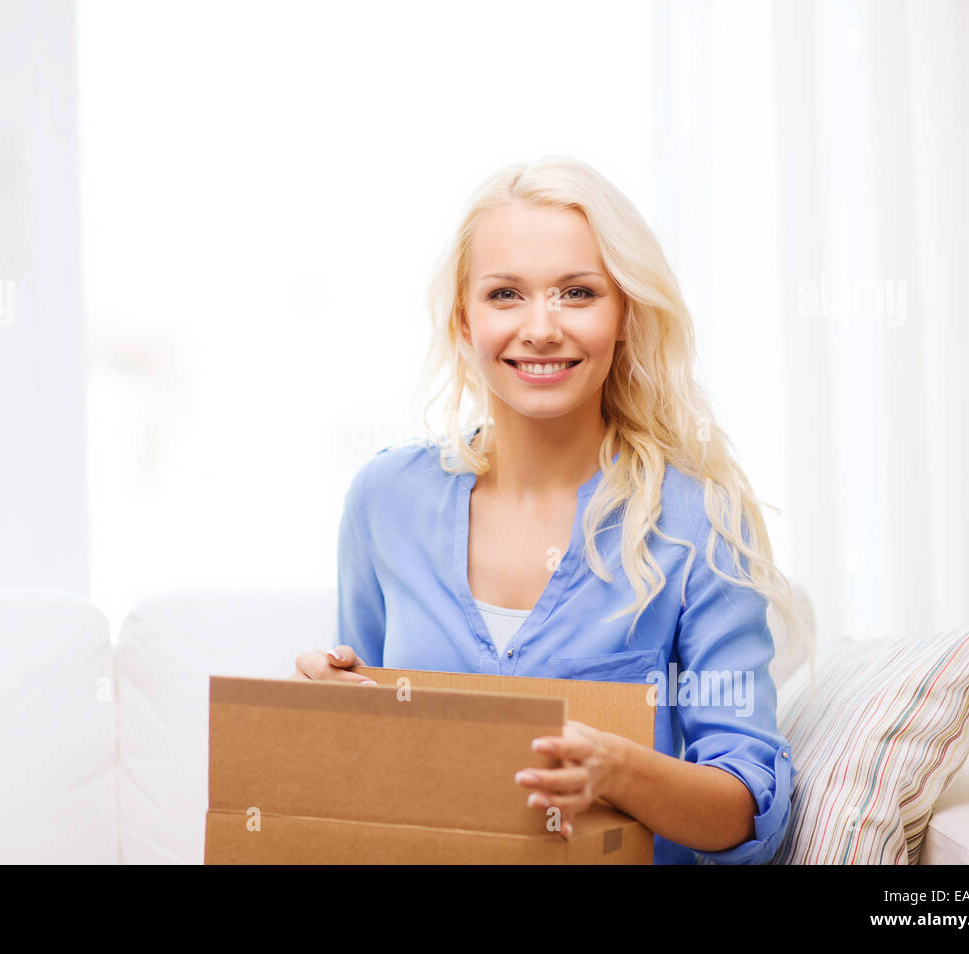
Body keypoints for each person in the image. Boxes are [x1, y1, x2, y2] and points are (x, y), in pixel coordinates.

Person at [291, 155, 810, 864]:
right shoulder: (385, 501)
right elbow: (373, 770)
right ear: (464, 322)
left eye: (577, 293)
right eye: (505, 294)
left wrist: (619, 770)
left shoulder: (698, 521)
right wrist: (329, 715)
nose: (540, 328)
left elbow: (750, 811)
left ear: (625, 314)